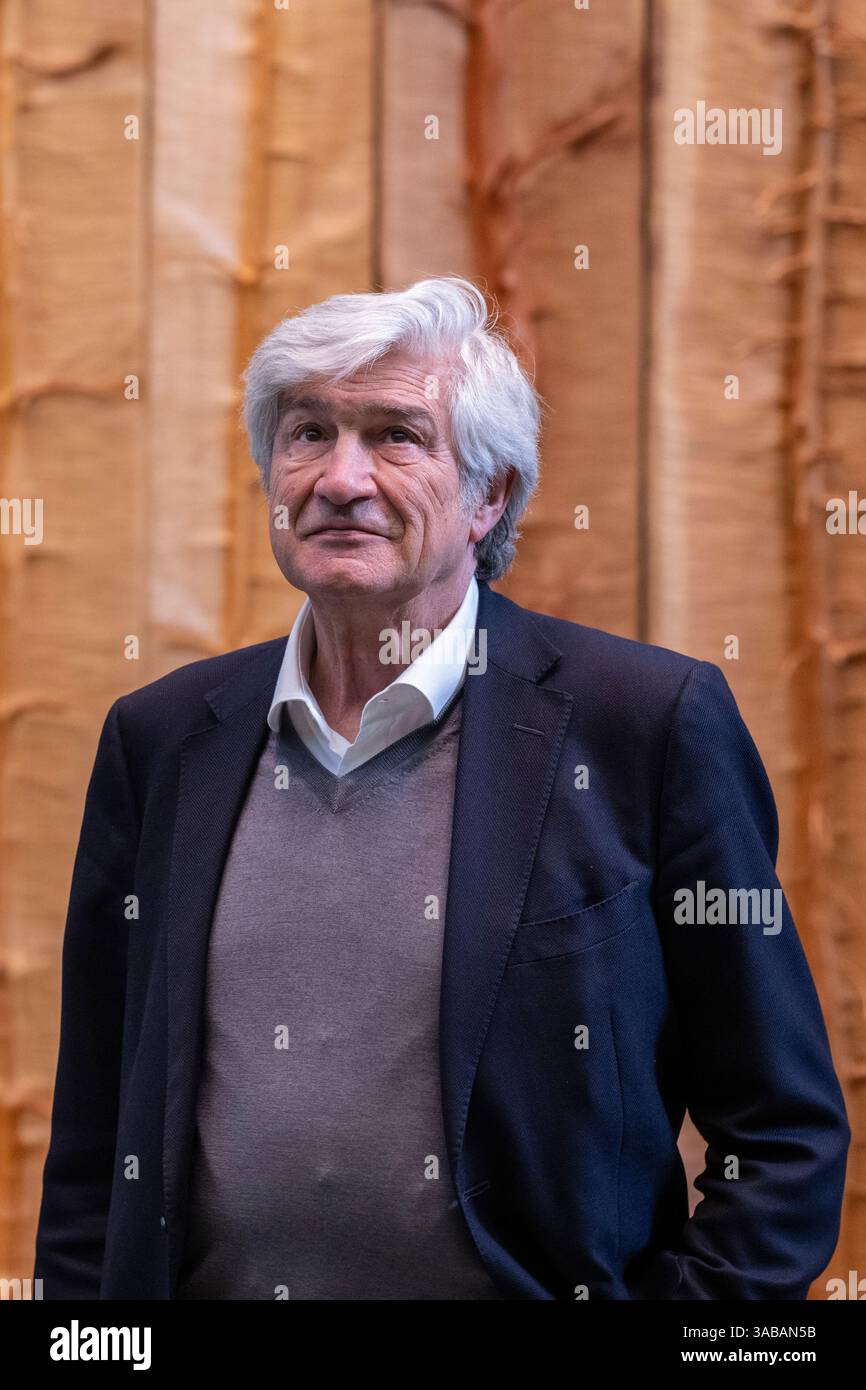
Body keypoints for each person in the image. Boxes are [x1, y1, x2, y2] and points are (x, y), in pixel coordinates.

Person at [35, 276, 849, 1300]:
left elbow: (780, 1130)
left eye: (395, 436)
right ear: (268, 475)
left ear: (489, 495)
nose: (340, 477)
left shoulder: (643, 723)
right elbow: (95, 1141)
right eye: (308, 432)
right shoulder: (161, 738)